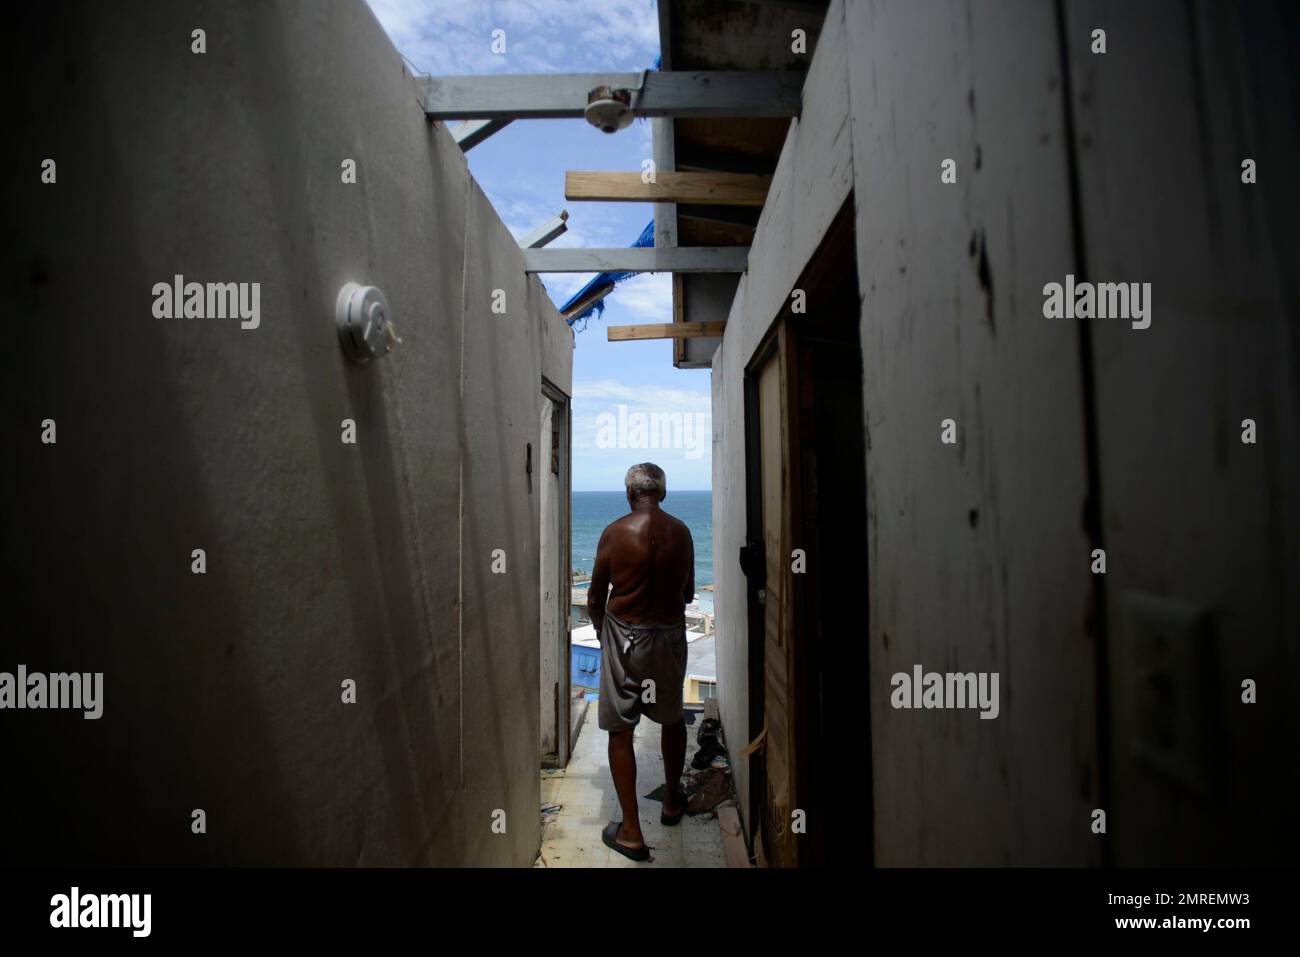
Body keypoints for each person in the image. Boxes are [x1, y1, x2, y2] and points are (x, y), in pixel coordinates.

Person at [587, 463, 695, 862]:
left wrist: (604, 634)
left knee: (621, 728)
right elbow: (685, 594)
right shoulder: (682, 533)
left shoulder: (615, 533)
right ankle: (671, 801)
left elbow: (596, 598)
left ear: (630, 493)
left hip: (625, 634)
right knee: (671, 717)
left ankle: (631, 831)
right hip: (667, 634)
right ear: (661, 493)